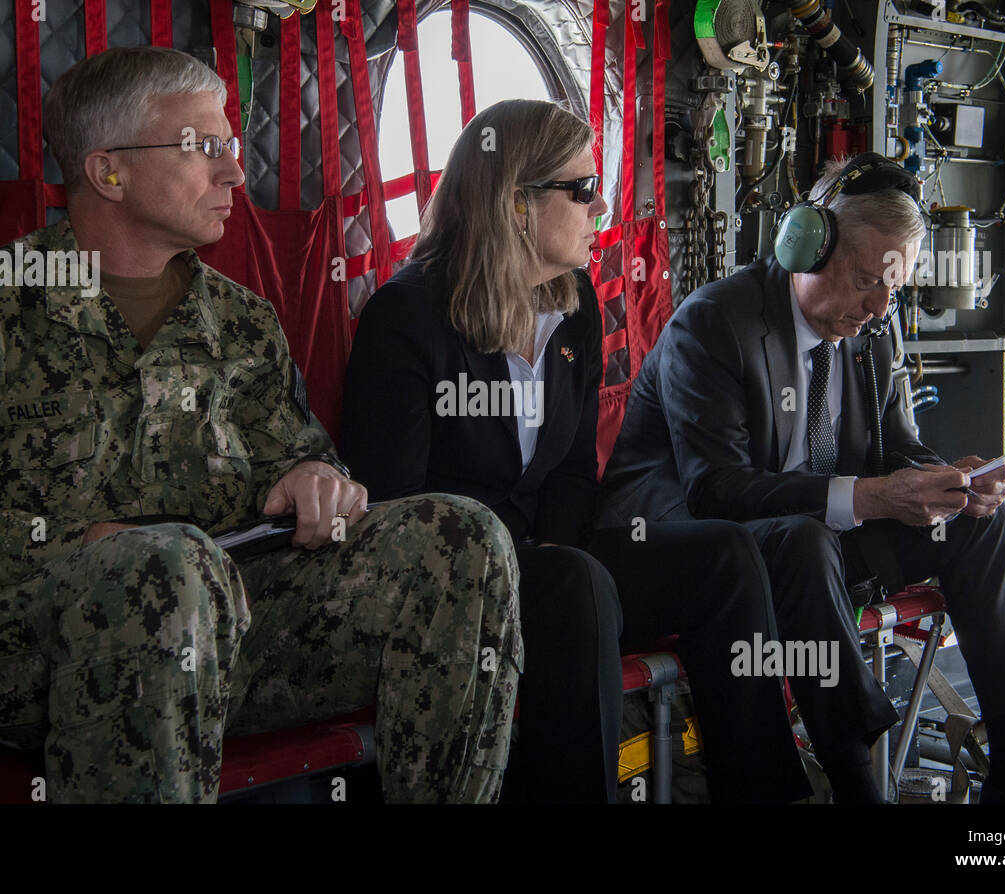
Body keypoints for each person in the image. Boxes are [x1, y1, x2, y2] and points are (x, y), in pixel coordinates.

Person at [0, 46, 522, 804]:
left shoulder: (242, 322)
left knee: (464, 537)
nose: (236, 172)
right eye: (205, 148)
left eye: (232, 146)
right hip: (21, 655)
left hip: (230, 628)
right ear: (109, 173)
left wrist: (316, 481)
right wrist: (75, 546)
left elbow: (298, 464)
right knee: (163, 566)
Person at [342, 99, 811, 803]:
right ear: (517, 204)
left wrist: (556, 551)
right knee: (573, 587)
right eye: (583, 189)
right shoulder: (407, 318)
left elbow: (569, 473)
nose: (601, 205)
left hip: (548, 560)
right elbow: (393, 506)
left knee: (725, 555)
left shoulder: (576, 306)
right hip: (455, 587)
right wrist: (536, 564)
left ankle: (766, 795)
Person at [598, 152, 1005, 804]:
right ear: (806, 246)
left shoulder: (867, 336)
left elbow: (894, 447)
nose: (881, 308)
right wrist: (870, 496)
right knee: (805, 539)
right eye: (865, 282)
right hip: (702, 547)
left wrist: (942, 478)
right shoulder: (716, 323)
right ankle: (859, 786)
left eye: (895, 288)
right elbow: (716, 488)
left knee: (974, 525)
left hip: (813, 545)